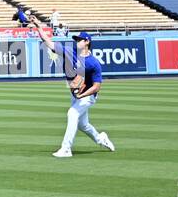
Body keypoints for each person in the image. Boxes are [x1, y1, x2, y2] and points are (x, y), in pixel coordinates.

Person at [28, 12, 115, 158]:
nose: (77, 41)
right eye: (77, 39)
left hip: (88, 96)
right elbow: (48, 42)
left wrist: (82, 95)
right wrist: (39, 27)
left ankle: (66, 149)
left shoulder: (94, 63)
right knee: (83, 125)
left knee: (72, 113)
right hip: (75, 94)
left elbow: (96, 87)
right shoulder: (70, 51)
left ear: (87, 42)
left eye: (80, 39)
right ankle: (101, 139)